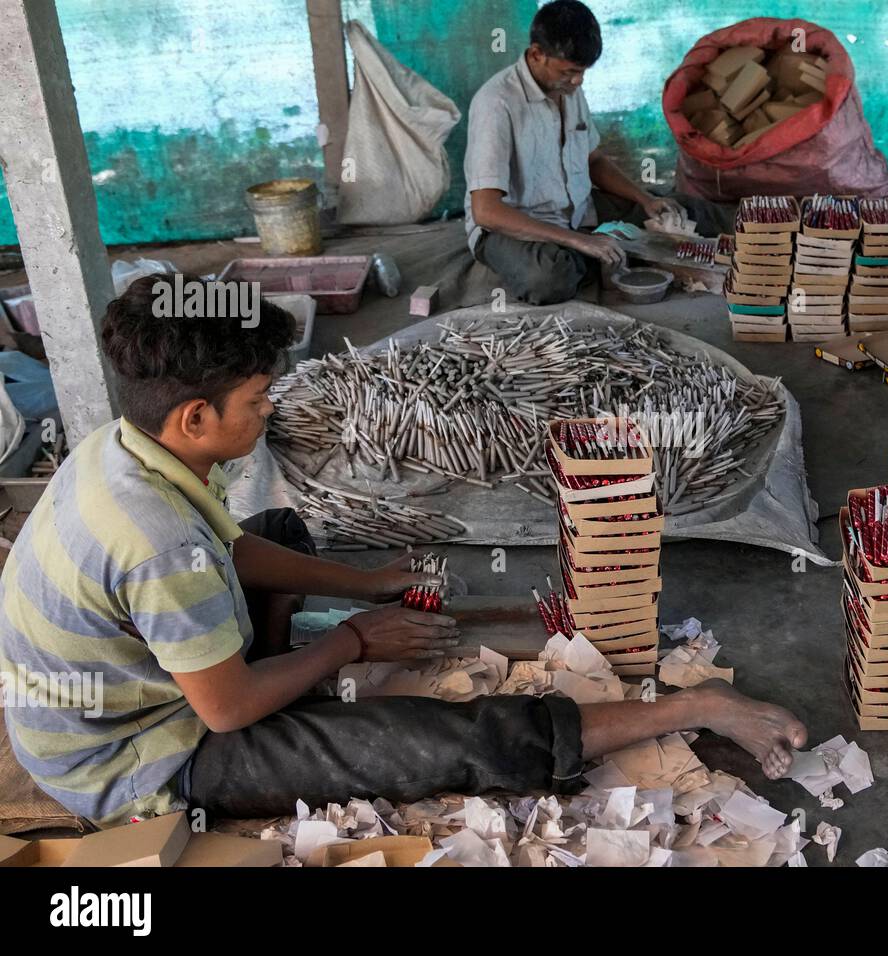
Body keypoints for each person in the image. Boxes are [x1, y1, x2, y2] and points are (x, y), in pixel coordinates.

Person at [0, 276, 806, 827]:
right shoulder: (155, 538)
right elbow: (227, 710)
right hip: (142, 763)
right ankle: (692, 708)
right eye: (255, 400)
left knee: (277, 539)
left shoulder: (123, 445)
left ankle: (293, 657)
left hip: (135, 686)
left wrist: (364, 582)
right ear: (195, 420)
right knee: (429, 741)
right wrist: (352, 639)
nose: (270, 410)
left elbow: (234, 550)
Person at [464, 0, 729, 305]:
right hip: (513, 225)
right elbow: (487, 211)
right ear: (537, 54)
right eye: (570, 72)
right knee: (549, 279)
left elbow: (595, 160)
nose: (578, 81)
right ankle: (618, 249)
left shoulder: (569, 91)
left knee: (682, 210)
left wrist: (646, 199)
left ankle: (617, 247)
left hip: (578, 210)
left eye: (583, 72)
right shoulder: (496, 103)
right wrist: (582, 241)